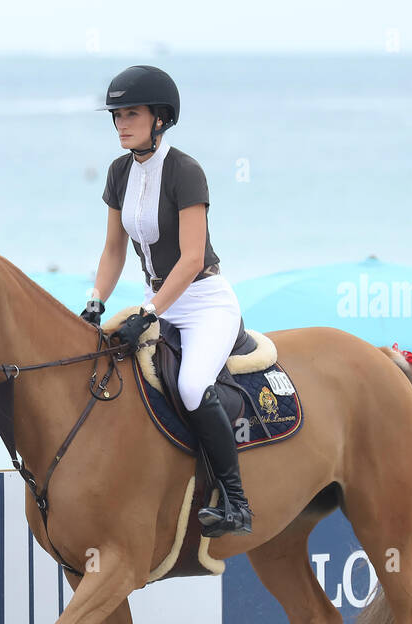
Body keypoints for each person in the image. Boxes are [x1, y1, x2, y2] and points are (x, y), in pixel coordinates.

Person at [83, 65, 252, 537]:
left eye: (131, 114)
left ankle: (236, 500)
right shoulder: (119, 173)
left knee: (194, 386)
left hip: (203, 301)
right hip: (153, 299)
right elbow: (114, 249)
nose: (121, 123)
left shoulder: (185, 171)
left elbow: (193, 257)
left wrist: (152, 311)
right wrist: (97, 298)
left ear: (160, 118)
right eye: (116, 115)